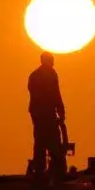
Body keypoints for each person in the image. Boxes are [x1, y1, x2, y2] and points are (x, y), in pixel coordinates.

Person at [28, 52, 67, 181]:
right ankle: (55, 171)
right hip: (45, 114)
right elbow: (56, 93)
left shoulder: (35, 75)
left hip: (39, 114)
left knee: (40, 142)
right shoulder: (49, 74)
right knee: (52, 142)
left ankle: (41, 171)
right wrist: (60, 111)